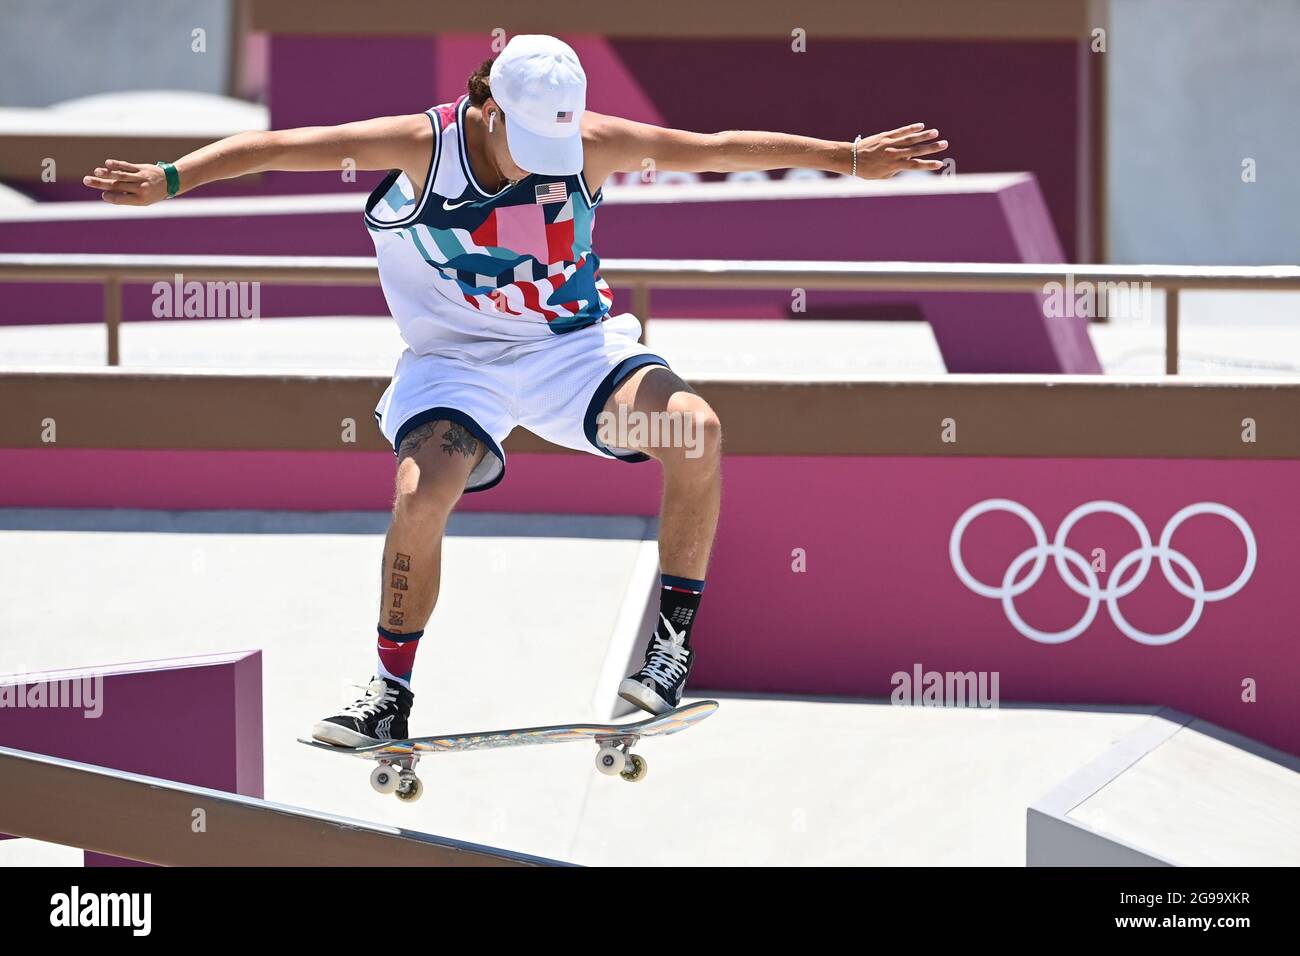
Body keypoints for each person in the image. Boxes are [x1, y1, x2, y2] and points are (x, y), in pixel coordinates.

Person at [84, 35, 947, 744]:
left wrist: (847, 157)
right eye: (524, 145)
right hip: (456, 361)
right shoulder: (421, 144)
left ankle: (671, 650)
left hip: (574, 351)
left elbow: (714, 148)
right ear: (487, 106)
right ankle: (388, 693)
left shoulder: (593, 141)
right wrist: (169, 179)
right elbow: (284, 148)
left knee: (699, 431)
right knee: (421, 495)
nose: (544, 166)